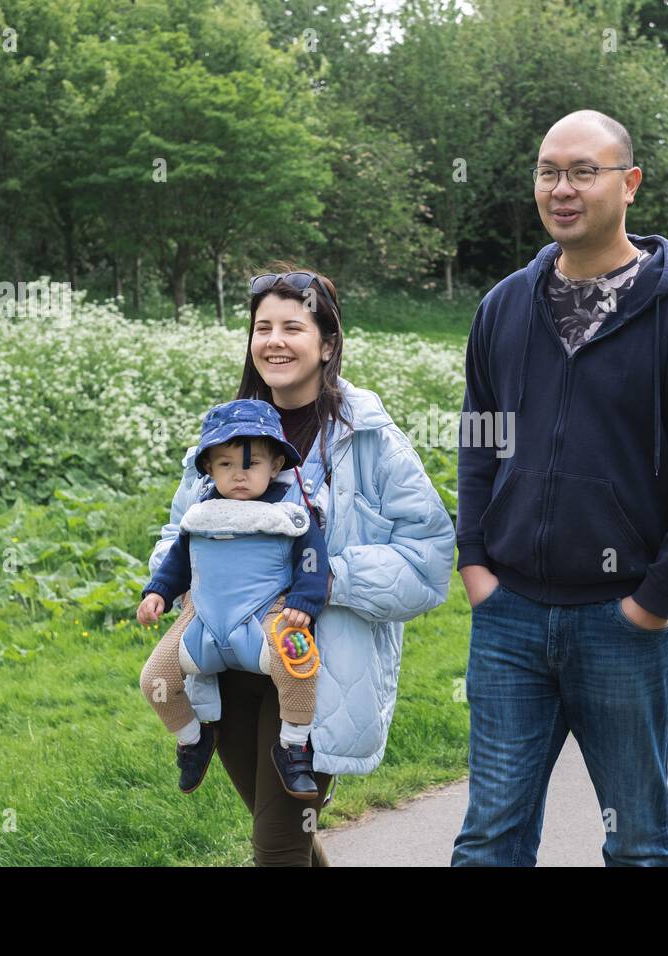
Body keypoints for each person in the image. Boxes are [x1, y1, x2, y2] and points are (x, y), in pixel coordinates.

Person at [452, 110, 668, 866]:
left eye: (584, 171)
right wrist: (476, 565)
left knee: (638, 845)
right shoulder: (504, 307)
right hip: (510, 618)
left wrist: (651, 606)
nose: (562, 188)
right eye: (549, 172)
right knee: (489, 839)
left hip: (621, 627)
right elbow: (482, 440)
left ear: (630, 184)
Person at [147, 265, 455, 866]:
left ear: (328, 344)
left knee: (277, 845)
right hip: (225, 660)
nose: (274, 340)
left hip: (318, 666)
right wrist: (179, 582)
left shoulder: (368, 437)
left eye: (293, 326)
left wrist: (324, 580)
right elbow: (176, 532)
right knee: (283, 834)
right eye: (263, 327)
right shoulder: (228, 434)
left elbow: (428, 559)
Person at [137, 398, 331, 799]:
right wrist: (157, 592)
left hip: (267, 618)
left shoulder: (290, 514)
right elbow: (179, 563)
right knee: (155, 680)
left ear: (275, 465)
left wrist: (304, 601)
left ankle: (293, 746)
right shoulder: (201, 514)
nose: (239, 475)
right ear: (208, 467)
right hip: (200, 620)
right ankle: (193, 739)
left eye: (251, 464)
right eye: (225, 464)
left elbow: (313, 561)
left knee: (298, 663)